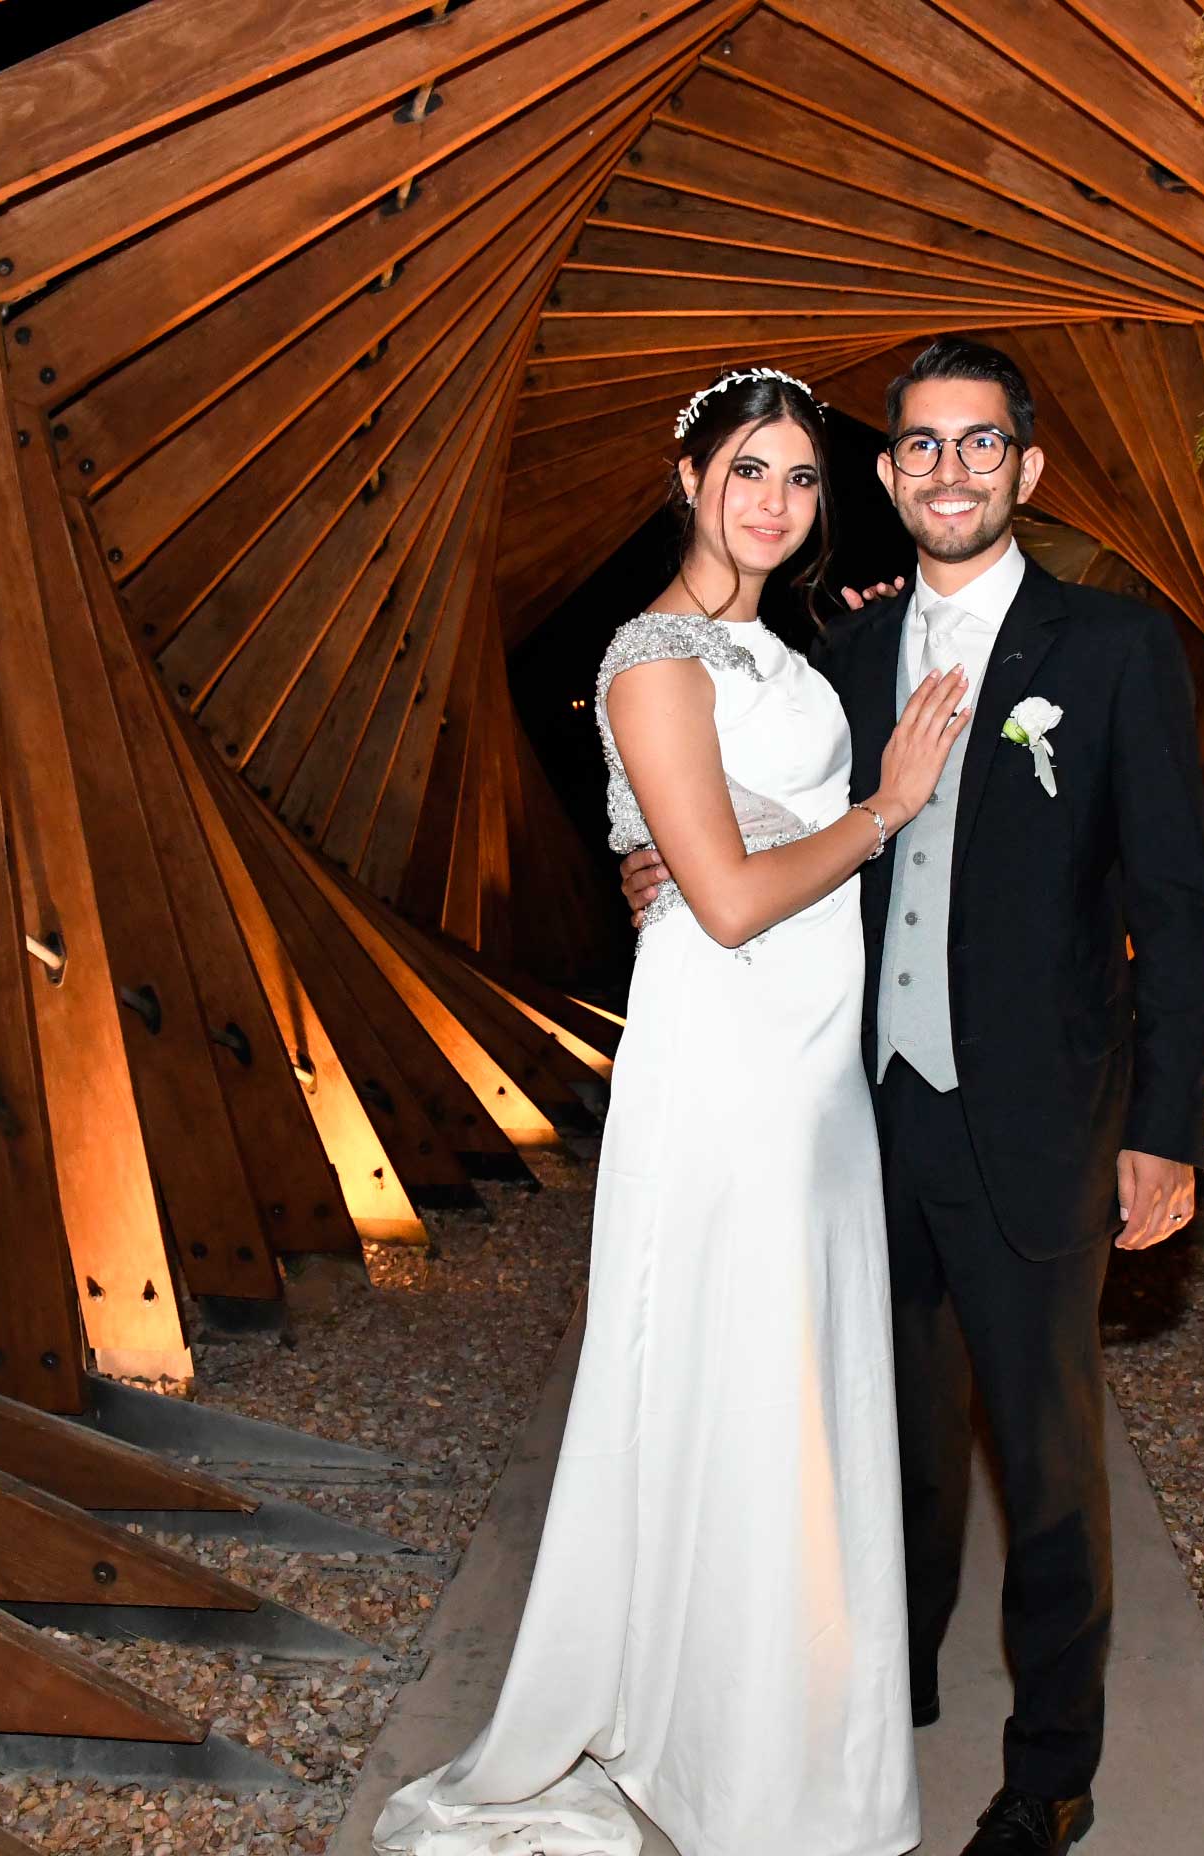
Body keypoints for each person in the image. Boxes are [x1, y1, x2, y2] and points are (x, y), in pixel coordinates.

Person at [620, 336, 1204, 1856]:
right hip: (849, 1120)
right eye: (920, 447)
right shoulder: (834, 657)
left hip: (1035, 1121)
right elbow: (747, 818)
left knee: (1046, 1458)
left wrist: (1165, 1129)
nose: (949, 469)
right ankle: (884, 1693)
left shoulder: (1111, 652)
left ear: (1024, 469)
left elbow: (1178, 900)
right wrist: (660, 872)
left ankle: (1053, 1772)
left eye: (980, 444)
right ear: (888, 479)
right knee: (876, 1441)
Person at [372, 365, 969, 1856]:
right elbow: (723, 892)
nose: (774, 502)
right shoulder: (651, 660)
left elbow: (746, 854)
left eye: (799, 479)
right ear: (685, 478)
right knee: (731, 1370)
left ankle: (784, 1721)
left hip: (816, 1068)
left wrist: (818, 828)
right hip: (730, 1069)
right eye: (747, 472)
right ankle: (725, 1754)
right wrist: (883, 806)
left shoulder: (788, 657)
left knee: (799, 1383)